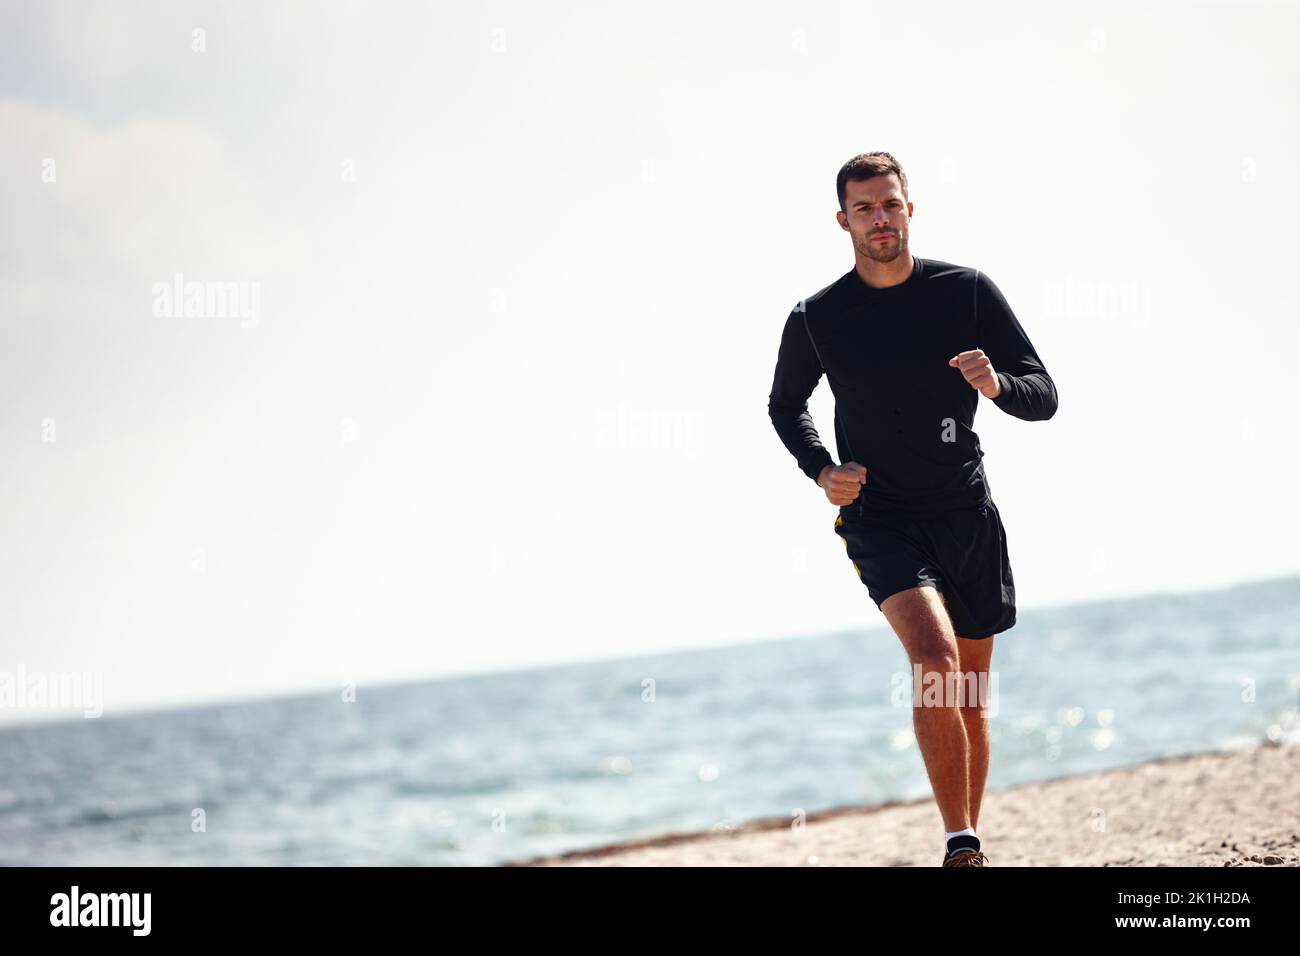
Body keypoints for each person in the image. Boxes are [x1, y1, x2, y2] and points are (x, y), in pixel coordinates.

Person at [766, 152, 1059, 867]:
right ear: (844, 221)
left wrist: (997, 386)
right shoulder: (818, 317)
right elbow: (785, 404)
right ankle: (960, 844)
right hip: (881, 517)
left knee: (969, 698)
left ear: (909, 209)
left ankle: (969, 836)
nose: (879, 219)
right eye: (864, 209)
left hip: (965, 512)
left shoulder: (966, 293)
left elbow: (1043, 394)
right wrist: (821, 469)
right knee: (933, 659)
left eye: (890, 204)